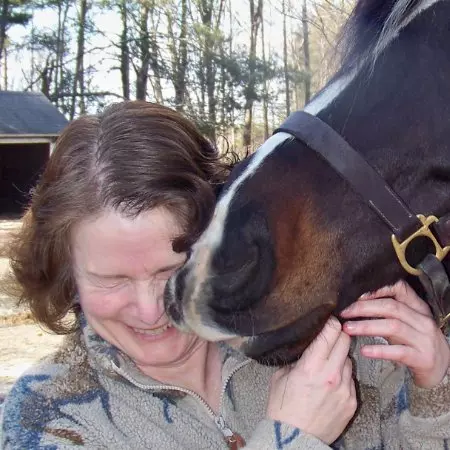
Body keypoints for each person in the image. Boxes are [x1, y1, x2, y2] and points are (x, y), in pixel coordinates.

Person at [0, 100, 449, 449]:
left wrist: (435, 386)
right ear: (67, 275)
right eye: (112, 280)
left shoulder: (321, 334)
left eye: (173, 270)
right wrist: (293, 438)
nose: (151, 308)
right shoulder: (48, 414)